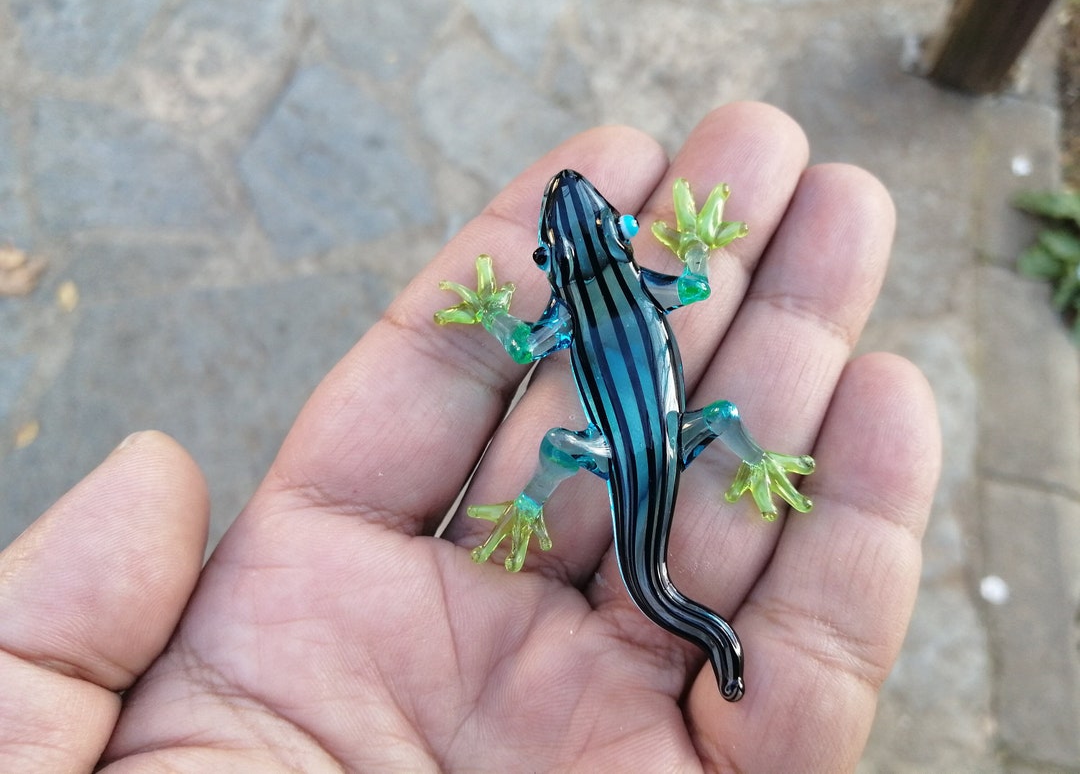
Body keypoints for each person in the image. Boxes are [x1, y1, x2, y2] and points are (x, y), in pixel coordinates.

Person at [0, 102, 940, 772]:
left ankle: (537, 509)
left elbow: (526, 344)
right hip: (667, 434)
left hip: (617, 448)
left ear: (555, 258)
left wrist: (494, 313)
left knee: (586, 462)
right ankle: (750, 476)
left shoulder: (564, 314)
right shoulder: (640, 282)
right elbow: (694, 291)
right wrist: (689, 250)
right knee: (724, 423)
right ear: (616, 234)